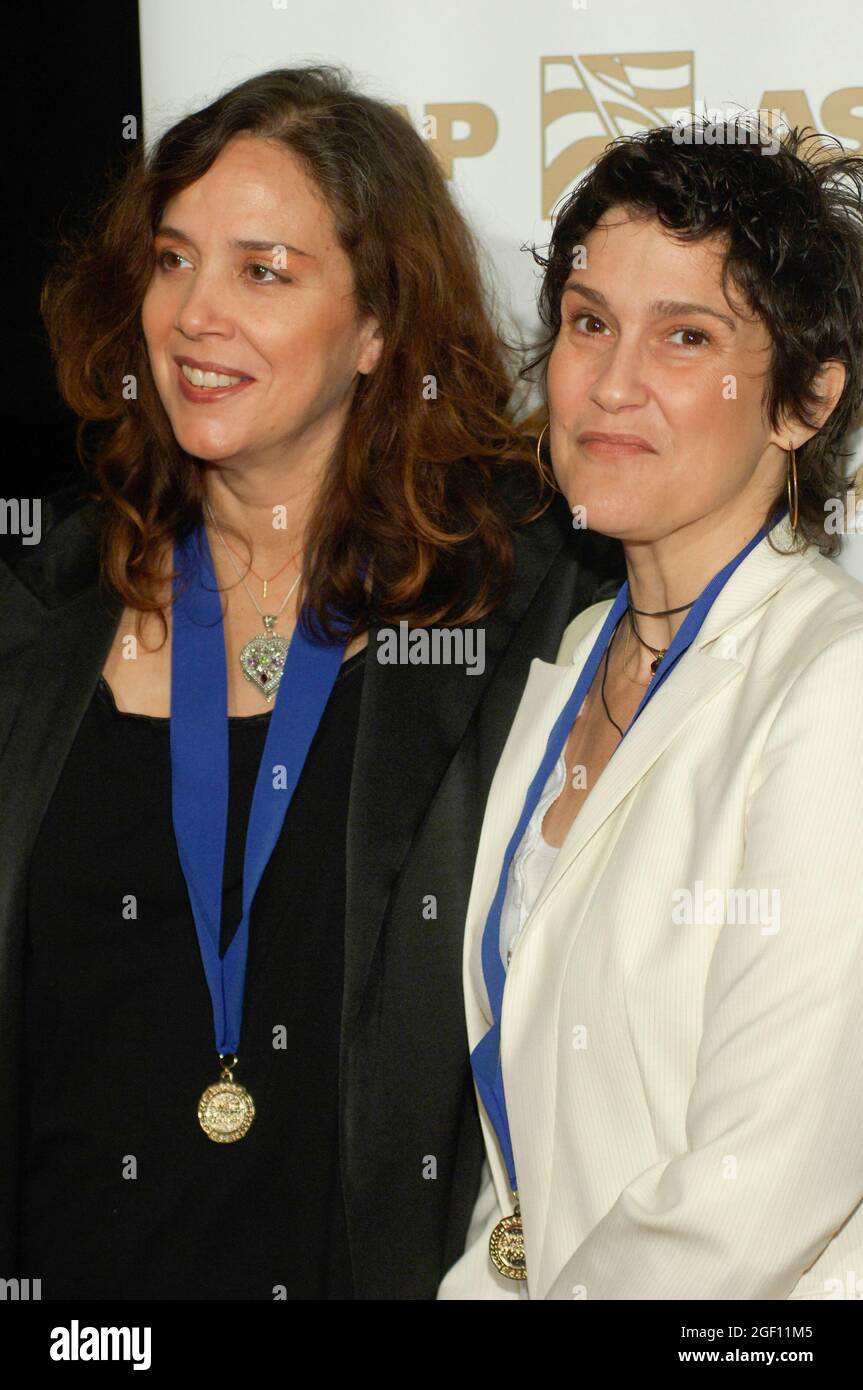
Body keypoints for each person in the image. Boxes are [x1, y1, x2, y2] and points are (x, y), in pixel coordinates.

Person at [0, 65, 623, 1300]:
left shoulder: (520, 604)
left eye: (263, 271)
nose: (193, 315)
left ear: (377, 328)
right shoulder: (42, 600)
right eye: (172, 261)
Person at [438, 116, 863, 1300]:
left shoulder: (835, 687)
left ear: (802, 400)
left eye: (686, 336)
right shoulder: (574, 654)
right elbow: (527, 1136)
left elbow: (753, 1190)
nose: (610, 384)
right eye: (587, 324)